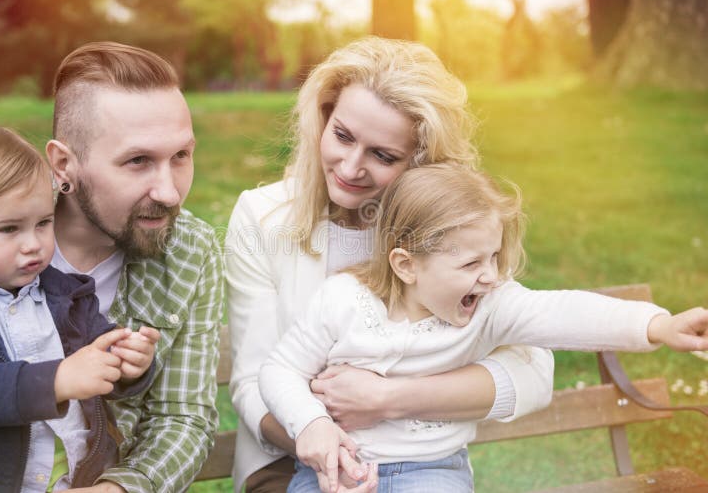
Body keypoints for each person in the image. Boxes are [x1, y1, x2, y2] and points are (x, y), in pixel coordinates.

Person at [225, 37, 554, 493]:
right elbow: (251, 382)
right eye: (342, 136)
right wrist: (330, 452)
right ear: (323, 117)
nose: (350, 167)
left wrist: (389, 399)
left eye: (383, 155)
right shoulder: (262, 218)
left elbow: (534, 373)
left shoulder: (443, 224)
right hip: (289, 459)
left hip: (417, 469)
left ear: (421, 160)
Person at [259, 163, 708, 493]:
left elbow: (569, 312)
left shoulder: (491, 306)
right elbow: (281, 370)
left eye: (493, 256)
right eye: (471, 263)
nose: (491, 275)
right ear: (406, 265)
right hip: (335, 470)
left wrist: (658, 326)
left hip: (431, 471)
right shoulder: (342, 300)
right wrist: (313, 426)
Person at [0, 42, 224, 492]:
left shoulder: (190, 249)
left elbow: (182, 417)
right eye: (138, 161)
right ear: (62, 164)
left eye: (181, 156)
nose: (170, 192)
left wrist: (117, 487)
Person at [0, 124, 159, 492]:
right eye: (9, 229)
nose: (33, 244)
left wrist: (128, 362)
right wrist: (56, 380)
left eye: (42, 223)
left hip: (77, 481)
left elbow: (98, 351)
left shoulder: (65, 294)